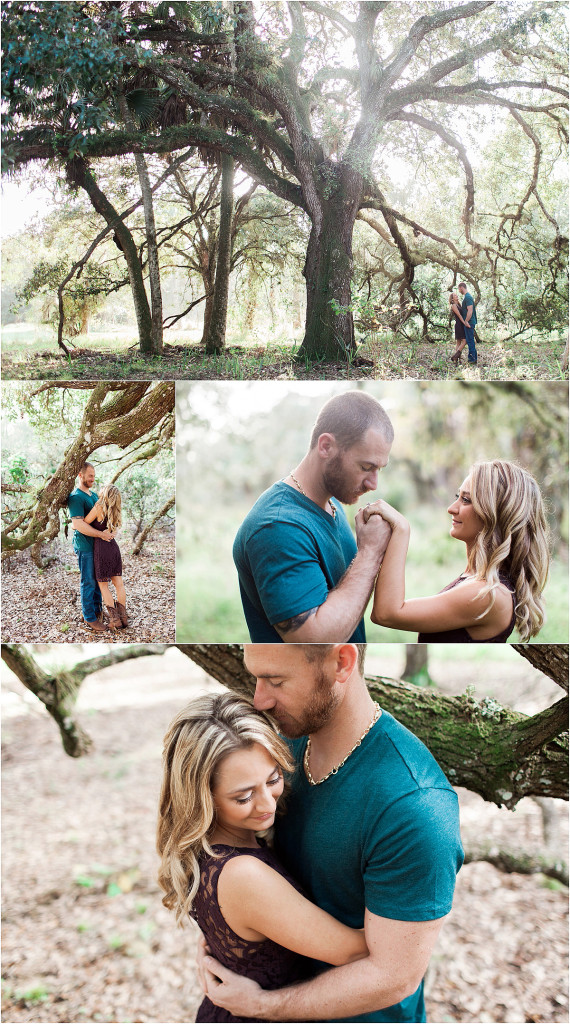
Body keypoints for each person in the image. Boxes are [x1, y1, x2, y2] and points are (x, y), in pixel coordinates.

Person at [199, 643, 464, 1024]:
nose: (259, 699)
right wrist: (221, 945)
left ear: (342, 662)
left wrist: (262, 1006)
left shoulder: (414, 806)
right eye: (256, 676)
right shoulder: (279, 747)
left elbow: (394, 976)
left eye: (275, 680)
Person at [157, 692, 370, 1023]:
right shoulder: (244, 876)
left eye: (273, 779)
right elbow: (356, 951)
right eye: (243, 797)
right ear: (201, 799)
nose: (268, 805)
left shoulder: (207, 846)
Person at [233, 391, 394, 643]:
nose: (374, 483)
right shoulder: (277, 526)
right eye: (366, 467)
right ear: (326, 446)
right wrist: (370, 553)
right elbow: (315, 641)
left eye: (379, 469)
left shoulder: (331, 502)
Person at [368, 460, 550, 642]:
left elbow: (386, 614)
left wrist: (401, 529)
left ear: (495, 514)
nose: (452, 508)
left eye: (466, 500)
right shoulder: (477, 580)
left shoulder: (488, 595)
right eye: (458, 496)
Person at [67, 463, 113, 633]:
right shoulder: (75, 497)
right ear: (80, 475)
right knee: (88, 581)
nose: (93, 479)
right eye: (90, 476)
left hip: (97, 546)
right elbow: (78, 524)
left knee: (98, 579)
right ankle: (89, 618)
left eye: (94, 475)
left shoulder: (93, 495)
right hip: (85, 546)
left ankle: (97, 610)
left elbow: (98, 518)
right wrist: (101, 535)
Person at [84, 483, 128, 630]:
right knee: (119, 584)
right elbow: (114, 529)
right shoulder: (116, 510)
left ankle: (115, 620)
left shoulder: (98, 508)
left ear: (105, 493)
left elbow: (84, 524)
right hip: (113, 548)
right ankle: (123, 617)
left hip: (101, 549)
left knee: (103, 586)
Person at [457, 282, 478, 364]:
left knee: (470, 341)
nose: (459, 291)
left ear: (462, 287)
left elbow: (470, 310)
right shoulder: (467, 297)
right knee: (470, 340)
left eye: (459, 289)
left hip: (469, 322)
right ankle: (473, 358)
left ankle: (472, 359)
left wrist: (466, 321)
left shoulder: (468, 297)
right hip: (469, 322)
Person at [448, 291, 468, 363]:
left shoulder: (459, 304)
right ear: (452, 299)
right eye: (455, 296)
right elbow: (459, 316)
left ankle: (456, 359)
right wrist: (465, 323)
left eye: (456, 295)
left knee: (458, 342)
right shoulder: (454, 305)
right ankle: (455, 356)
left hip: (461, 324)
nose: (457, 296)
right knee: (464, 341)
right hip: (459, 325)